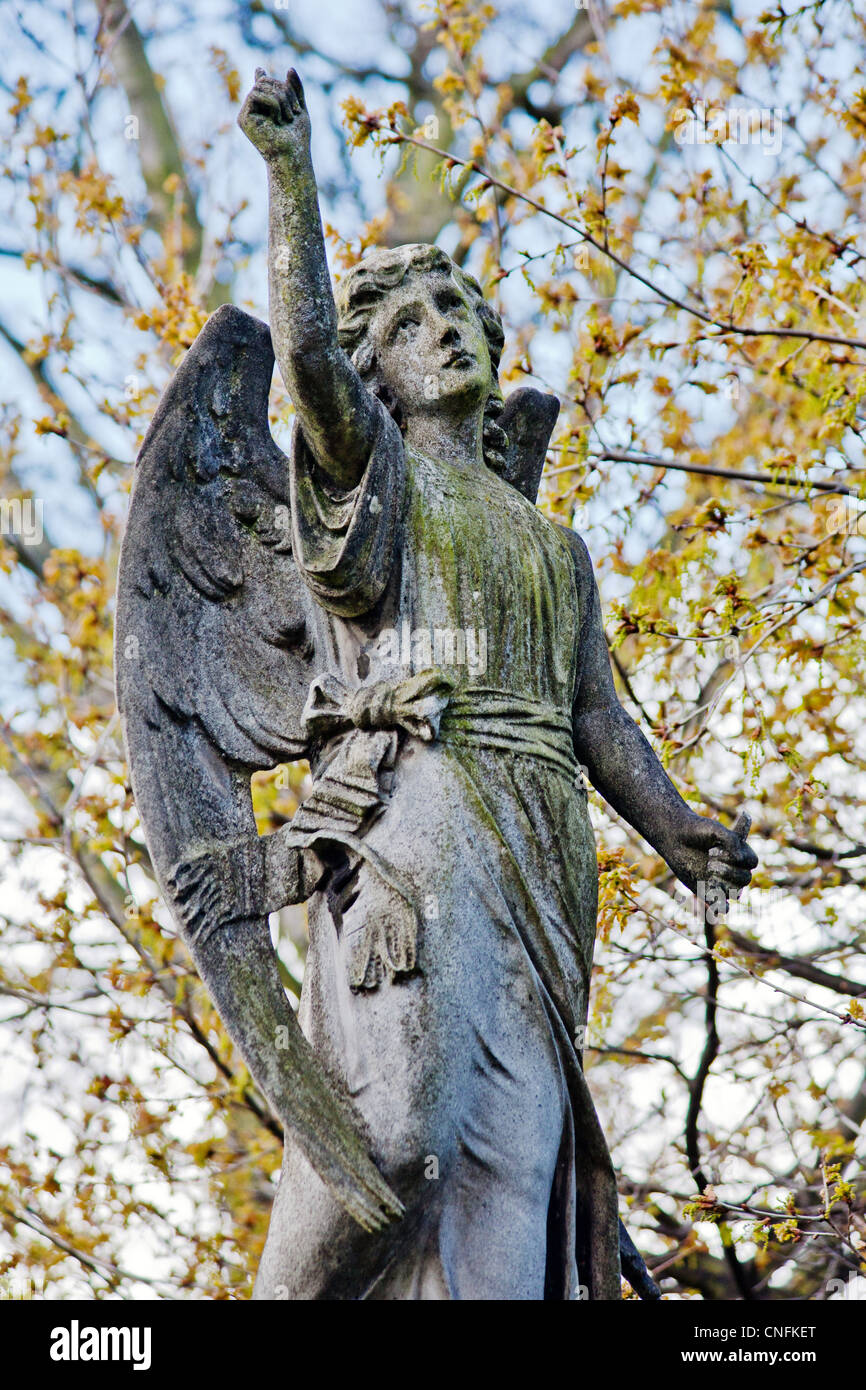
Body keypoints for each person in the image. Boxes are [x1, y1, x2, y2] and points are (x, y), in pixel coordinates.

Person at [231, 67, 756, 1300]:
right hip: (416, 810)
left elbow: (594, 716)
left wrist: (675, 827)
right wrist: (294, 175)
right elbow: (306, 356)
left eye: (466, 310)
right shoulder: (379, 482)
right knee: (400, 1123)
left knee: (512, 1168)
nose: (450, 327)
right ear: (380, 363)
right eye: (416, 319)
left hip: (539, 835)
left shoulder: (550, 542)